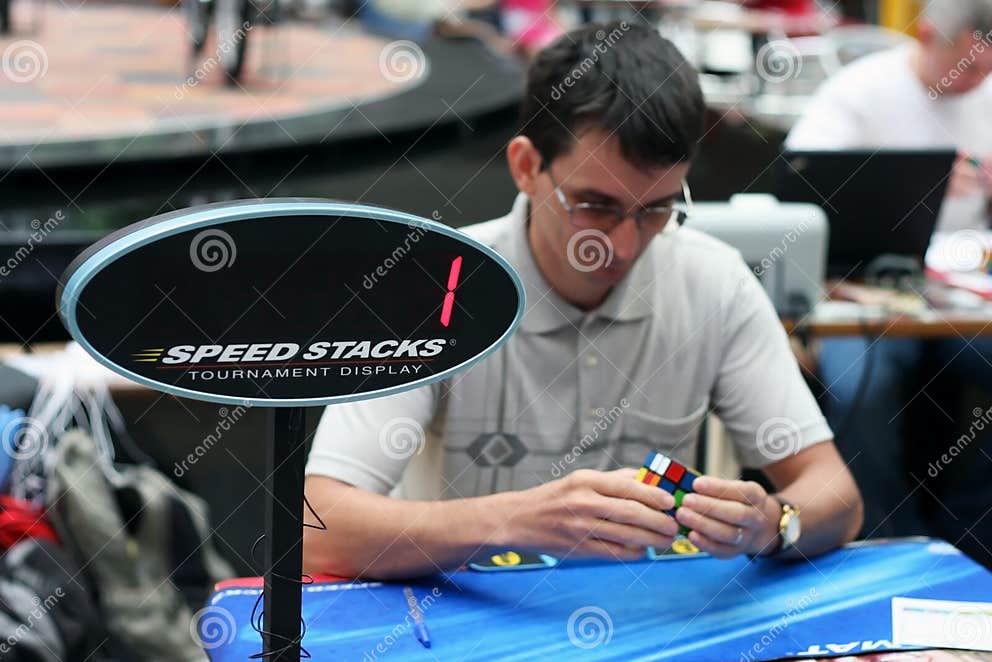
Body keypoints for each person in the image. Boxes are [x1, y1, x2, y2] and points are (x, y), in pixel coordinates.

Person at [303, 22, 863, 580]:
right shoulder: (434, 286)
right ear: (525, 166)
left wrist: (773, 522)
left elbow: (835, 494)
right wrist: (516, 520)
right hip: (459, 621)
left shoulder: (714, 282)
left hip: (646, 620)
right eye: (595, 206)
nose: (621, 244)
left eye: (658, 209)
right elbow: (314, 530)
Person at [786, 0, 992, 565]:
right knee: (859, 390)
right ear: (926, 36)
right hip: (856, 283)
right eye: (969, 68)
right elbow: (800, 192)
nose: (977, 81)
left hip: (963, 287)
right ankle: (889, 545)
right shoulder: (859, 93)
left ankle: (967, 536)